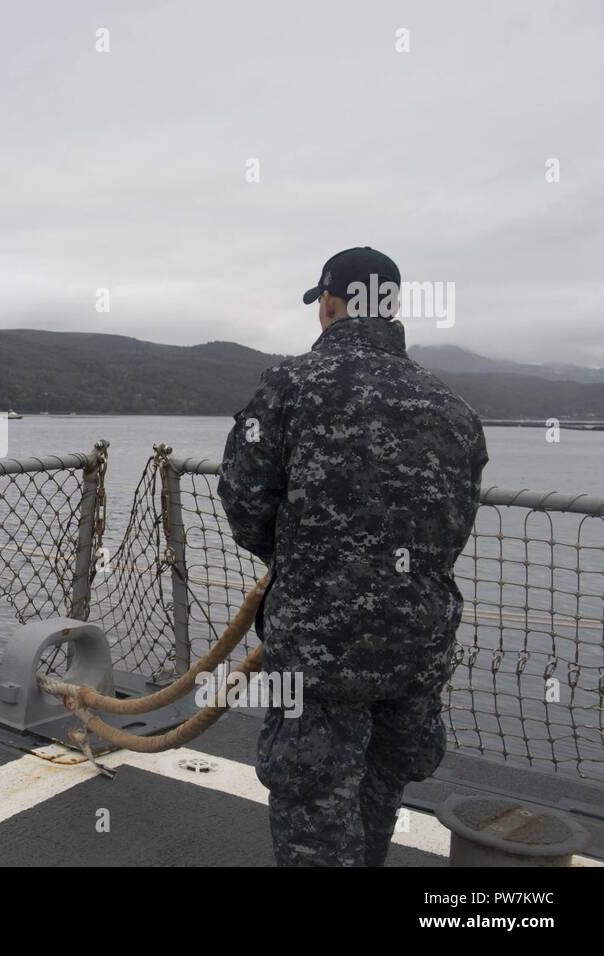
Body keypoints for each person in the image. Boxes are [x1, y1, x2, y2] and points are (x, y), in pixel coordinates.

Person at [219, 247, 487, 867]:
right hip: (416, 645)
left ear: (332, 303)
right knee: (376, 801)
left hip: (319, 648)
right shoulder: (453, 408)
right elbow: (454, 525)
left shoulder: (289, 385)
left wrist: (309, 561)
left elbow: (243, 502)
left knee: (314, 812)